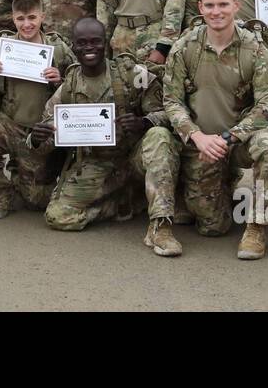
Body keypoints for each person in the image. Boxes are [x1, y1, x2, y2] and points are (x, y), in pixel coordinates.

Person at [146, 0, 268, 259]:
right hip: (198, 142)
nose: (216, 11)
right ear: (200, 7)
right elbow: (171, 101)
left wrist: (227, 138)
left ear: (236, 5)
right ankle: (159, 225)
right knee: (213, 226)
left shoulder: (254, 49)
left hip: (234, 141)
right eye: (210, 5)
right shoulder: (185, 47)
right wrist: (197, 137)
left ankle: (257, 227)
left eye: (223, 4)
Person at [37, 17, 170, 243]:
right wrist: (39, 137)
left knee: (159, 136)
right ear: (74, 47)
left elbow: (169, 113)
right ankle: (120, 204)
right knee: (58, 217)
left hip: (136, 155)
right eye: (82, 43)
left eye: (95, 42)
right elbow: (49, 129)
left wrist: (143, 121)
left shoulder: (133, 74)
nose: (89, 48)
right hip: (97, 161)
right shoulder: (69, 86)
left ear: (106, 43)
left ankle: (161, 225)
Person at [0, 0, 76, 214]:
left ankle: (22, 171)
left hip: (40, 133)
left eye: (32, 17)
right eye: (21, 19)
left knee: (37, 201)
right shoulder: (2, 47)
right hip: (8, 125)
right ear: (13, 19)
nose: (27, 24)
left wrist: (60, 81)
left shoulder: (58, 49)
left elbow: (78, 93)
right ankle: (2, 192)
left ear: (42, 16)